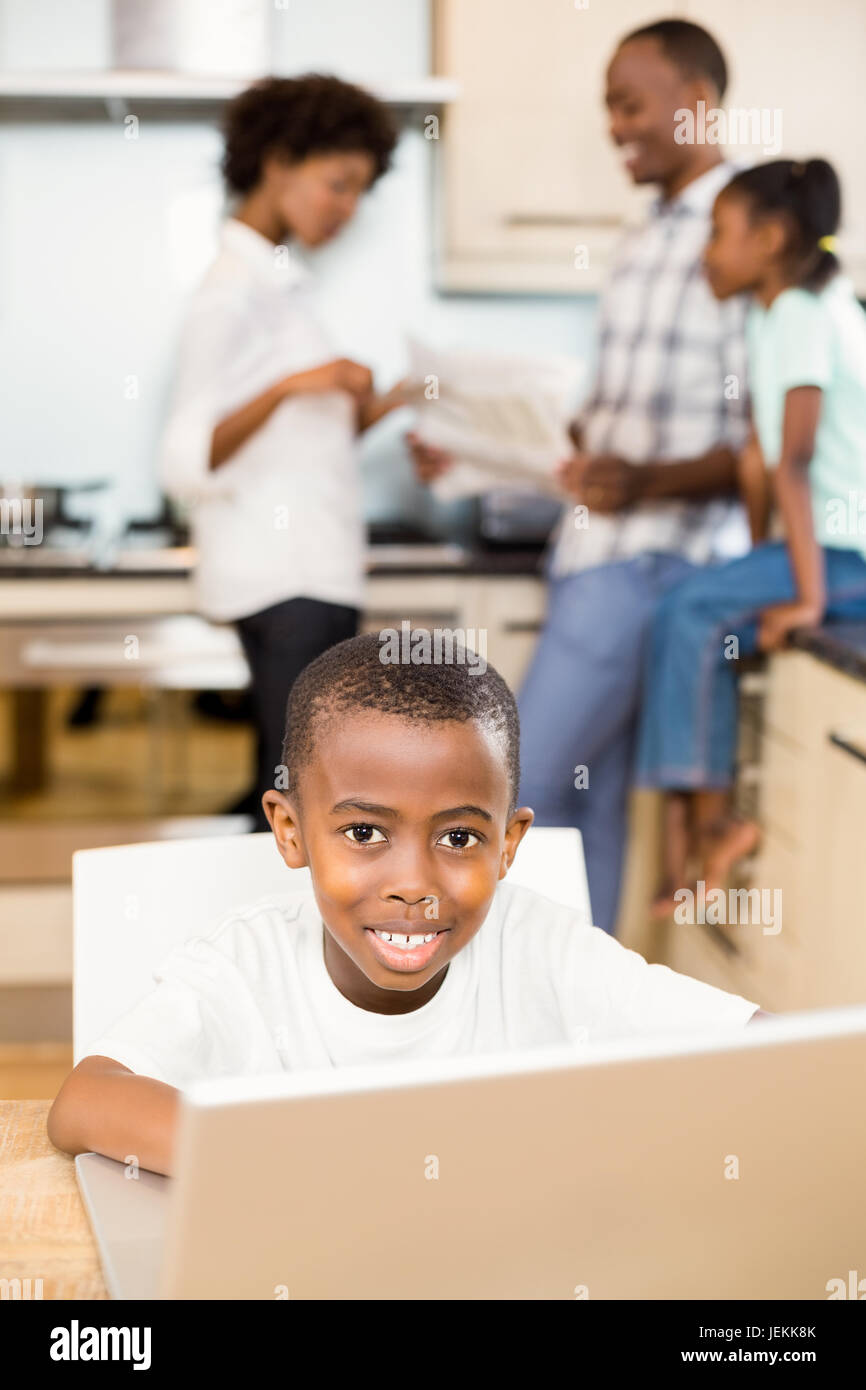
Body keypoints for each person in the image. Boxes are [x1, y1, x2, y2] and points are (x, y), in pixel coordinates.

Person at [47, 633, 767, 1176]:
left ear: (509, 844)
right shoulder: (243, 967)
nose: (414, 883)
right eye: (364, 833)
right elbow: (85, 1102)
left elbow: (766, 1051)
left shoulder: (541, 947)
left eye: (458, 836)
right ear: (291, 831)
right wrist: (323, 1162)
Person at [412, 19, 751, 935]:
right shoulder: (643, 236)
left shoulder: (746, 233)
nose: (614, 125)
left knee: (514, 788)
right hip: (595, 552)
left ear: (698, 104)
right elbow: (602, 429)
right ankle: (583, 1052)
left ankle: (515, 1032)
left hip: (658, 561)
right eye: (608, 104)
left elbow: (761, 440)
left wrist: (640, 482)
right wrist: (475, 443)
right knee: (583, 806)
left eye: (630, 103)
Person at [158, 75, 404, 831]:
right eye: (338, 183)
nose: (347, 208)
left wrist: (388, 404)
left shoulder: (280, 287)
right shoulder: (230, 290)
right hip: (282, 582)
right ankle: (277, 948)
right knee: (301, 801)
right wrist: (304, 381)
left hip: (314, 572)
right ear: (277, 162)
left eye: (360, 191)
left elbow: (300, 444)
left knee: (294, 789)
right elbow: (184, 458)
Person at [635, 158, 866, 904]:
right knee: (695, 606)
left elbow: (795, 462)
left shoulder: (800, 311)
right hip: (827, 545)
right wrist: (763, 555)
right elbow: (762, 460)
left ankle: (714, 827)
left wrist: (801, 600)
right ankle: (695, 827)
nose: (706, 250)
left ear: (768, 239)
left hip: (847, 551)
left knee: (690, 610)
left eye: (719, 232)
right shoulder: (780, 310)